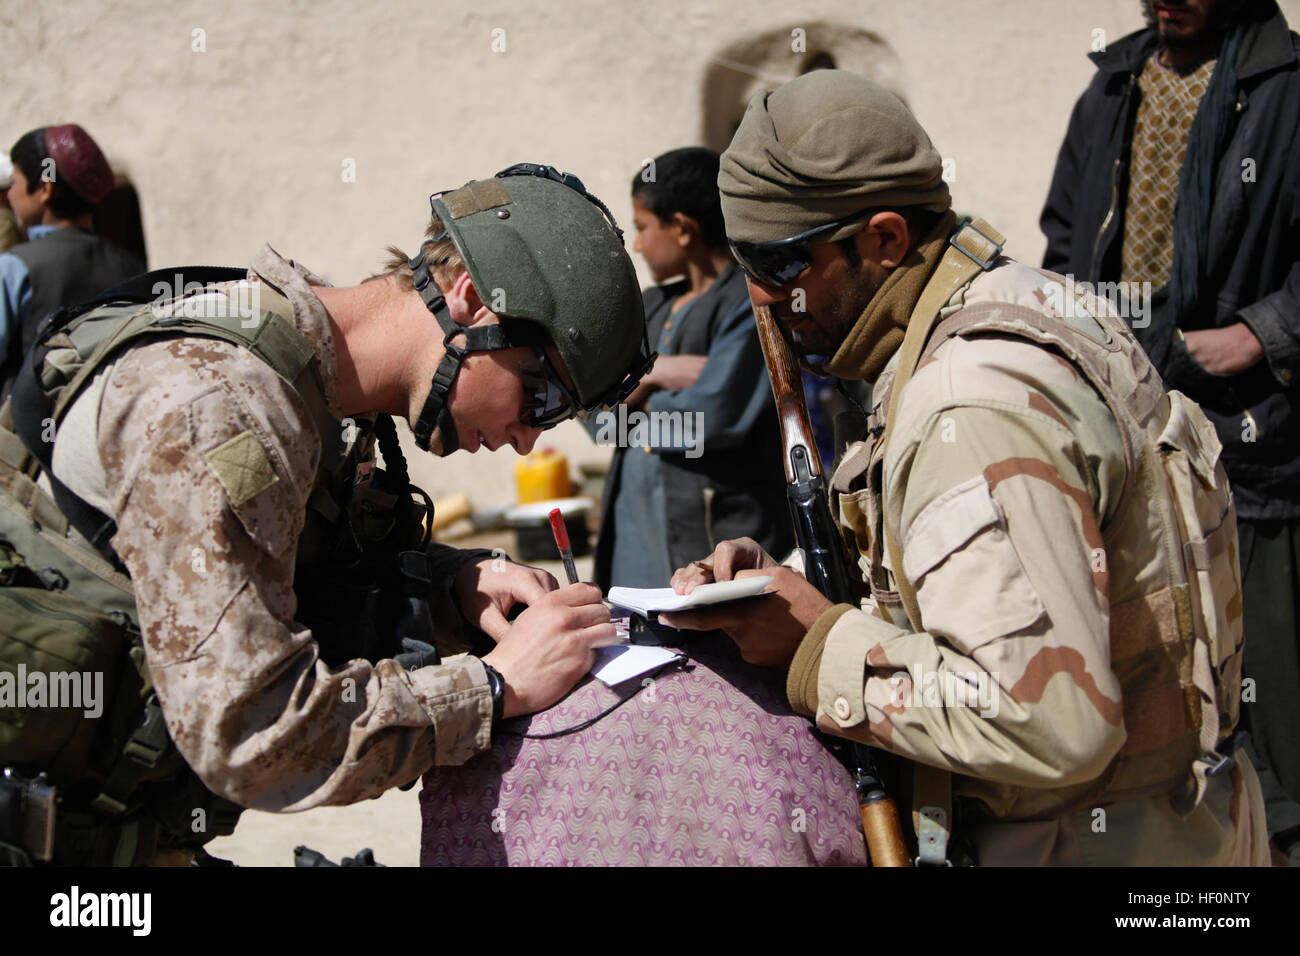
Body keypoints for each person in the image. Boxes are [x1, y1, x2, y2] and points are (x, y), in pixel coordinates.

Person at [664, 69, 1270, 866]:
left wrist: (817, 649)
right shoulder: (1026, 303)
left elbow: (1049, 720)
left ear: (882, 239)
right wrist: (795, 592)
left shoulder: (968, 402)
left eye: (782, 268)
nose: (765, 303)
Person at [0, 163, 648, 865]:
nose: (529, 439)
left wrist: (454, 586)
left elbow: (295, 575)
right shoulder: (222, 405)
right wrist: (495, 688)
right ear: (472, 301)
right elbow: (251, 733)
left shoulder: (311, 379)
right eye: (542, 397)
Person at [1040, 0, 1300, 863]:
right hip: (1127, 415)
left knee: (1268, 701)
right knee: (1161, 678)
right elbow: (1066, 239)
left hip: (1253, 437)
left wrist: (1263, 332)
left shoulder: (1288, 84)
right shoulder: (1112, 85)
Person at [591, 147, 791, 590]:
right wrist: (661, 371)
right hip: (634, 537)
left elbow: (710, 419)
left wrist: (635, 396)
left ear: (682, 228)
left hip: (712, 538)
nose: (637, 244)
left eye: (642, 227)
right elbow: (595, 419)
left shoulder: (747, 302)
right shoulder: (649, 306)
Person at [1, 125, 145, 393]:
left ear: (45, 188)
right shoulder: (131, 265)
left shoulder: (14, 267)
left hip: (29, 430)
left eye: (16, 182)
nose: (9, 194)